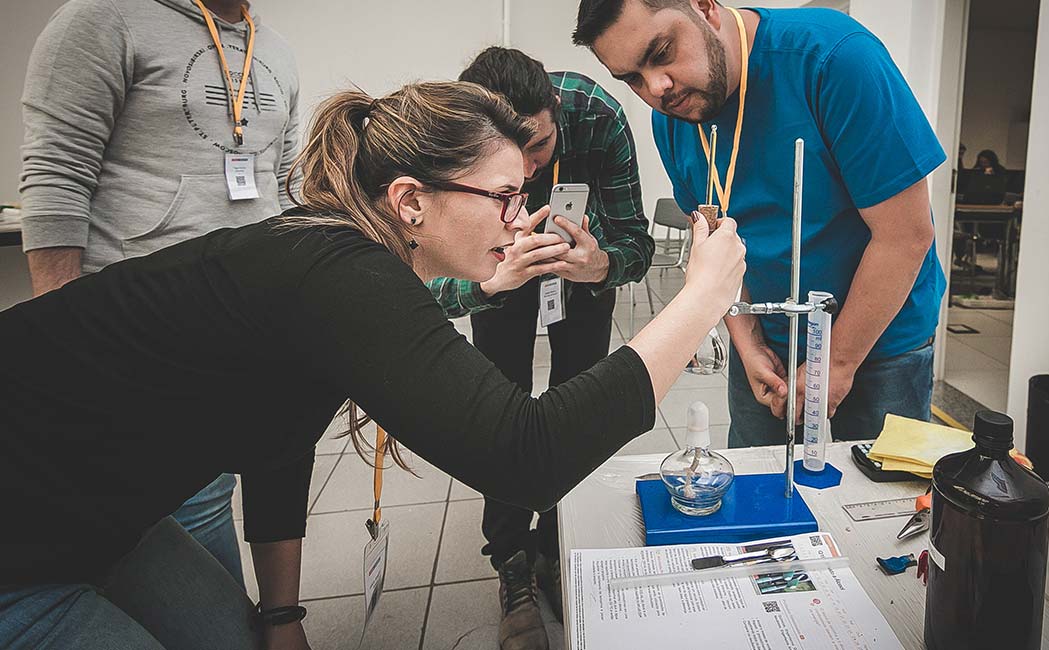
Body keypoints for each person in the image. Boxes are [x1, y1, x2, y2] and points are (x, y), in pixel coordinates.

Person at [0, 81, 745, 650]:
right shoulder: (341, 273)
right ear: (411, 202)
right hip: (23, 532)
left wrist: (283, 614)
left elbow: (276, 444)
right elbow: (528, 454)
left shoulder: (330, 252)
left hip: (97, 511)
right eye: (506, 198)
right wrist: (703, 298)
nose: (521, 220)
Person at [574, 0, 946, 446]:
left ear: (704, 7)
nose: (657, 88)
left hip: (880, 341)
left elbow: (905, 236)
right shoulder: (674, 119)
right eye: (632, 77)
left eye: (662, 52)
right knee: (757, 495)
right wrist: (747, 344)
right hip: (768, 339)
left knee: (881, 504)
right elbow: (714, 242)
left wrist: (839, 361)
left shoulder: (834, 59)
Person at [18, 0, 300, 585]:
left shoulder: (273, 48)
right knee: (182, 513)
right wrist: (60, 337)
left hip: (251, 324)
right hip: (144, 333)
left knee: (213, 494)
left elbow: (283, 183)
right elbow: (56, 177)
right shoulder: (102, 19)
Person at [427, 46, 653, 650]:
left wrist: (600, 263)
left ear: (556, 110)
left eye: (538, 148)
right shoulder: (458, 129)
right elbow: (425, 275)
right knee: (499, 411)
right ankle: (512, 563)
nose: (525, 172)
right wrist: (488, 282)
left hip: (582, 277)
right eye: (508, 156)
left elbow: (637, 243)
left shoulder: (597, 114)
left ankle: (558, 543)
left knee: (577, 405)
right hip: (498, 277)